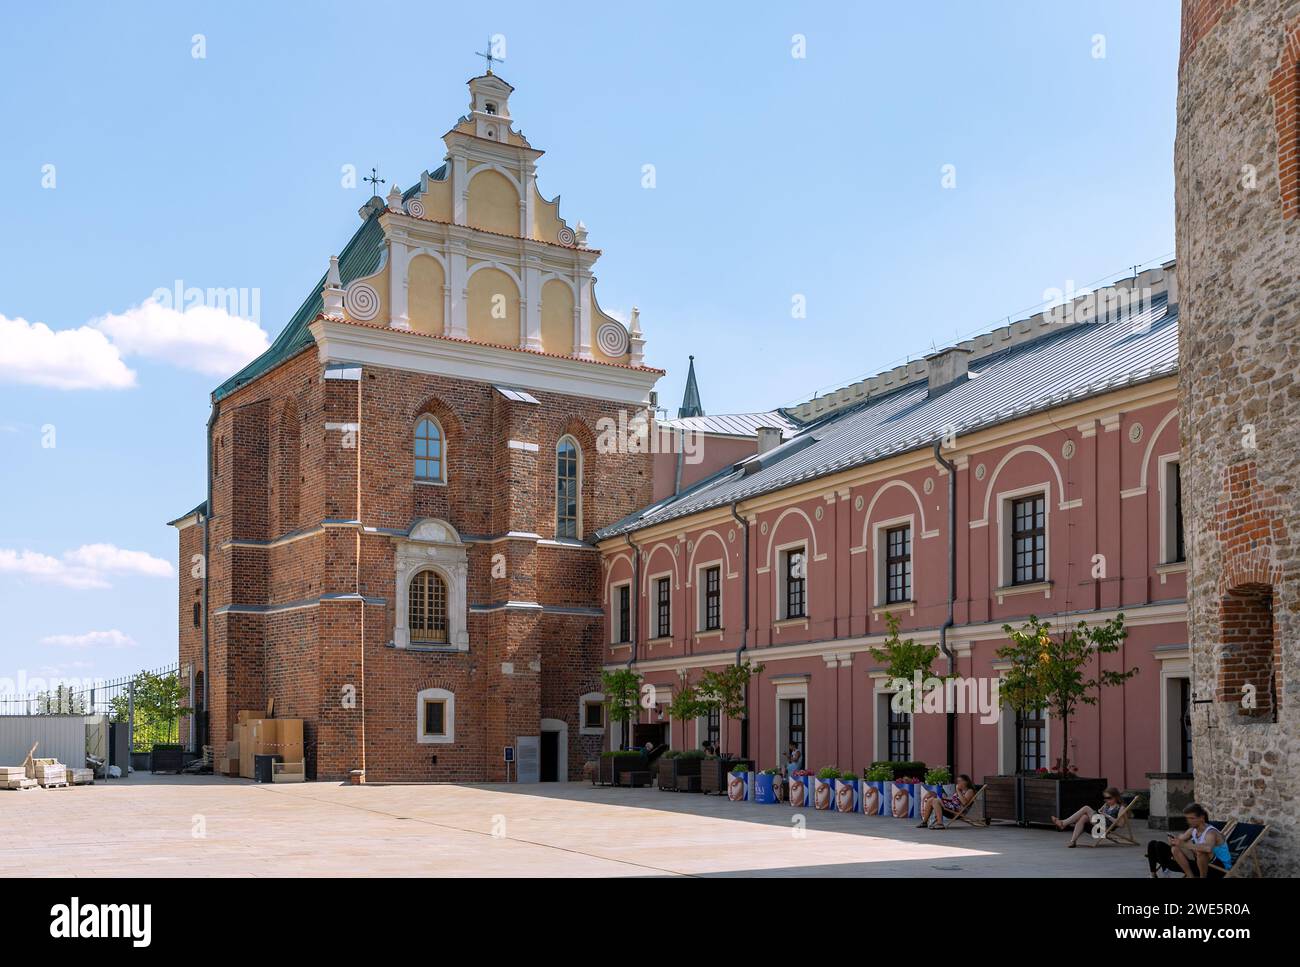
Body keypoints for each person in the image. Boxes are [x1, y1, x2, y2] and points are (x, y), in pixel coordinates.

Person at [1145, 803, 1230, 878]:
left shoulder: (1211, 833)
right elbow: (1180, 840)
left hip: (1219, 869)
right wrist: (1174, 841)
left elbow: (1208, 848)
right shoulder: (1193, 830)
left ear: (1202, 818)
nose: (1189, 821)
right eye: (1187, 818)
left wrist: (1183, 844)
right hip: (1203, 865)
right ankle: (1190, 876)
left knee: (1201, 851)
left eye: (1192, 818)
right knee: (1174, 848)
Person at [1051, 786, 1125, 847]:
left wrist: (1107, 815)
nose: (1106, 800)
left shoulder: (1120, 808)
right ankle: (1073, 841)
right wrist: (1100, 812)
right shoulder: (1107, 805)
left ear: (1115, 797)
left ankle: (1063, 823)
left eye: (1109, 798)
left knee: (1086, 808)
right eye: (1105, 798)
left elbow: (1121, 824)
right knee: (1084, 817)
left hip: (1103, 829)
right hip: (1096, 825)